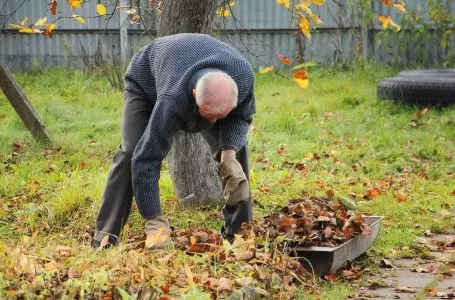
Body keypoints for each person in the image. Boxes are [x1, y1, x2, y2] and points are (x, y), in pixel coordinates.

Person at [92, 33, 256, 249]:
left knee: (235, 151)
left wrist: (228, 153)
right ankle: (105, 238)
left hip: (190, 77)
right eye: (208, 116)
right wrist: (154, 220)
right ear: (195, 94)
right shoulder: (174, 100)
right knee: (132, 152)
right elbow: (146, 158)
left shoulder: (242, 77)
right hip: (145, 83)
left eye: (220, 116)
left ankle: (239, 236)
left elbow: (241, 117)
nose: (214, 122)